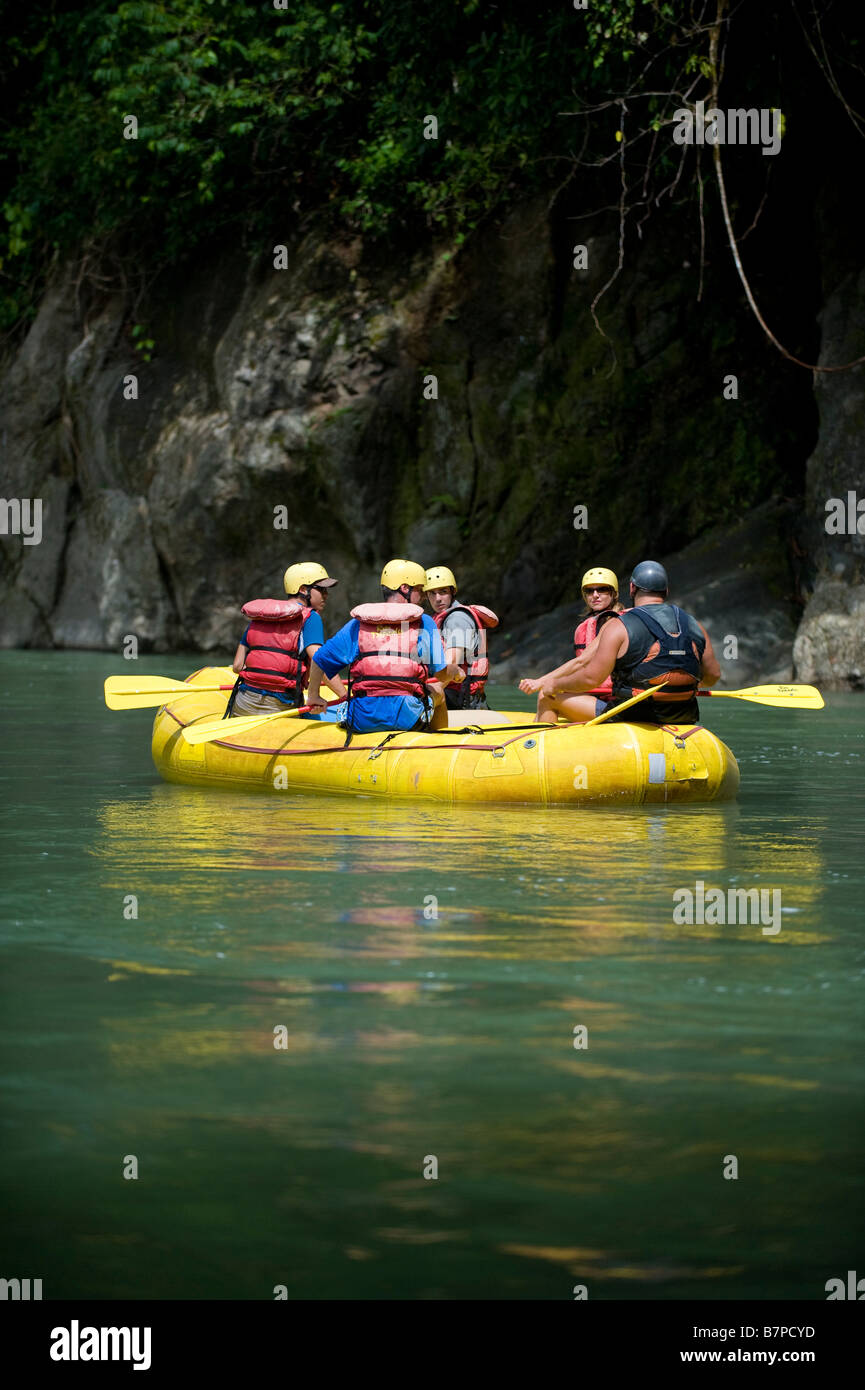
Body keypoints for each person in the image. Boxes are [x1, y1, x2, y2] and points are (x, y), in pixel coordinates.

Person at [519, 560, 720, 724]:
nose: (595, 595)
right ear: (666, 591)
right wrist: (675, 685)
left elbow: (591, 678)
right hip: (683, 714)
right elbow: (712, 677)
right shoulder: (694, 624)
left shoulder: (619, 626)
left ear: (631, 588)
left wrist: (553, 684)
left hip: (633, 715)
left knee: (548, 696)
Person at [305, 559, 451, 733]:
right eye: (419, 590)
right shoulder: (424, 622)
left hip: (361, 720)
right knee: (438, 693)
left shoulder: (359, 624)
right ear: (405, 588)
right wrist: (456, 672)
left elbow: (320, 658)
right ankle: (440, 740)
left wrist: (313, 696)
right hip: (407, 720)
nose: (423, 597)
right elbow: (441, 673)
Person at [229, 562, 346, 717]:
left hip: (243, 702)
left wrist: (264, 677)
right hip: (279, 706)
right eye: (321, 589)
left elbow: (237, 666)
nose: (326, 595)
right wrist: (344, 696)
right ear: (303, 590)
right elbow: (319, 659)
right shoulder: (310, 617)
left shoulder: (261, 616)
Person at [423, 565, 499, 710]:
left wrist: (431, 698)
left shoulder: (458, 619)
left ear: (453, 592)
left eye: (443, 592)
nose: (437, 599)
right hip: (456, 695)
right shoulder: (441, 619)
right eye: (432, 593)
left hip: (463, 702)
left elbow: (451, 663)